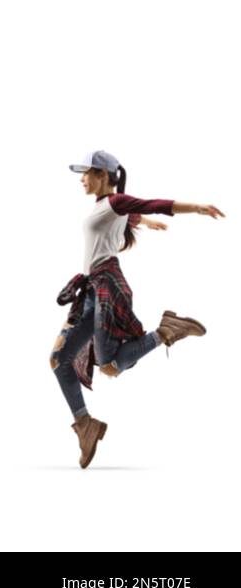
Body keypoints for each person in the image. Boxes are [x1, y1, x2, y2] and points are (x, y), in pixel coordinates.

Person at [51, 150, 224, 468]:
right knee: (60, 359)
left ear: (103, 175)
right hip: (91, 291)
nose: (81, 179)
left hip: (108, 289)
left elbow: (150, 203)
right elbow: (130, 214)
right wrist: (144, 221)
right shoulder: (106, 207)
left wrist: (195, 208)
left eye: (86, 173)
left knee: (108, 363)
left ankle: (165, 332)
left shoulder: (116, 202)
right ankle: (85, 425)